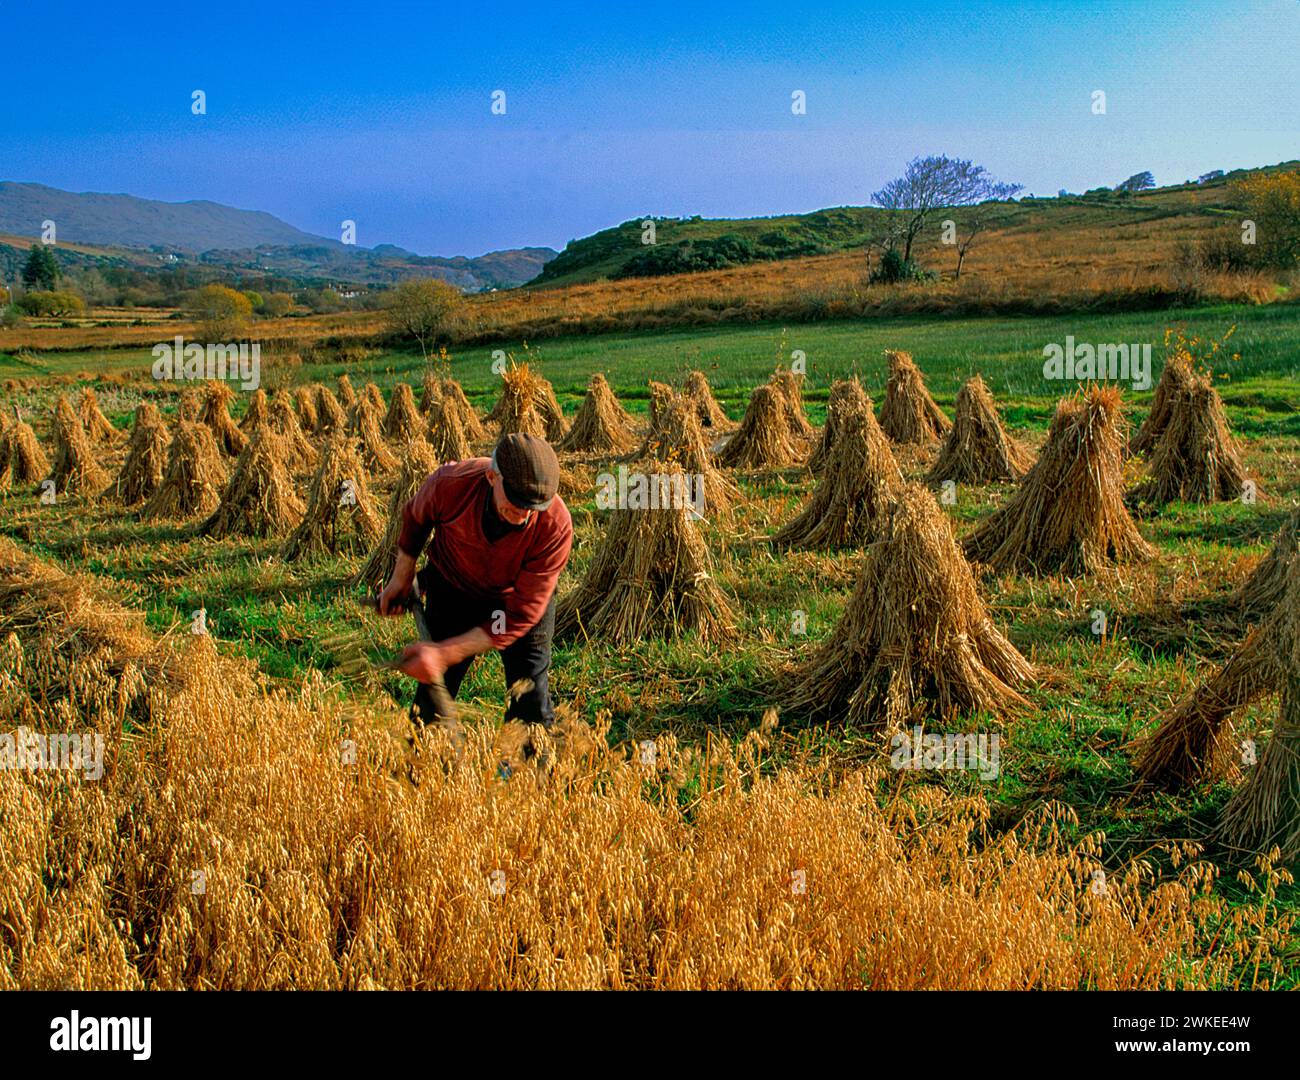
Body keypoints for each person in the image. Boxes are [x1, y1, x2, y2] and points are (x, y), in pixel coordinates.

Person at [378, 432, 573, 729]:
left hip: (513, 602)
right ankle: (421, 766)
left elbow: (518, 616)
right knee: (433, 696)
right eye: (516, 500)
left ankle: (527, 768)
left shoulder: (555, 526)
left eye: (533, 507)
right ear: (492, 476)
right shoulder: (451, 484)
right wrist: (401, 578)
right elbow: (417, 518)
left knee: (530, 698)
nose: (523, 513)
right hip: (455, 587)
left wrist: (443, 653)